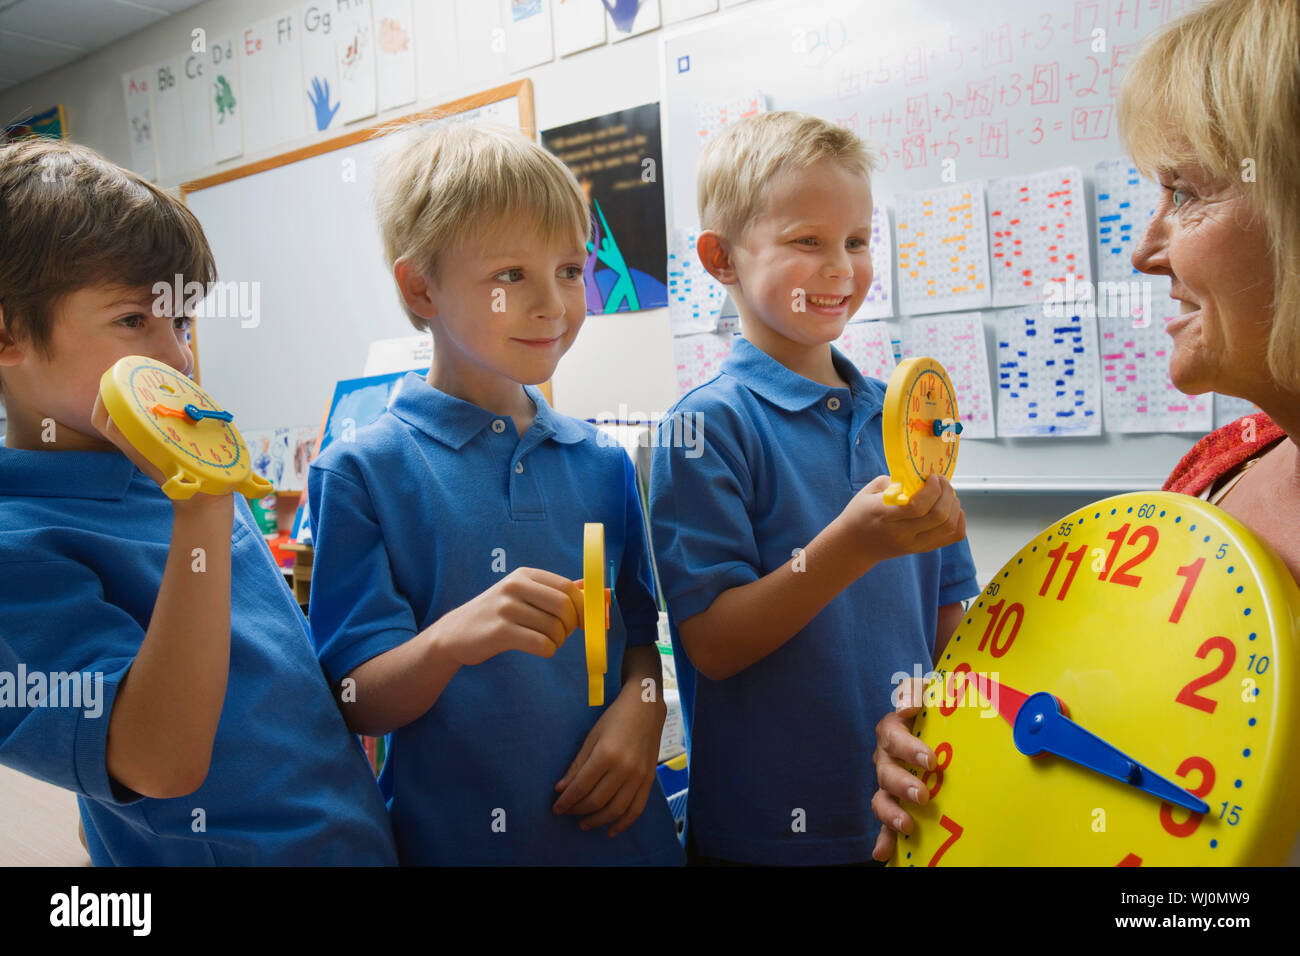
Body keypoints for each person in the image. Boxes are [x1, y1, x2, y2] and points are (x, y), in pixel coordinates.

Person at [870, 0, 1300, 862]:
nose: (1146, 249)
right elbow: (1106, 730)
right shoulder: (1216, 470)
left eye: (1185, 192)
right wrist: (963, 747)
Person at [0, 138, 397, 865]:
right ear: (7, 334)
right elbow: (159, 761)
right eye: (132, 321)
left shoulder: (179, 475)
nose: (179, 358)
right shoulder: (19, 547)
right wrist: (202, 506)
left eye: (180, 322)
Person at [306, 123, 684, 865]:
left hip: (621, 841)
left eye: (570, 270)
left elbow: (638, 642)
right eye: (511, 275)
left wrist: (639, 718)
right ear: (421, 287)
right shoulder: (363, 472)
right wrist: (451, 638)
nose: (552, 305)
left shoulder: (601, 460)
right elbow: (358, 699)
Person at [648, 111, 977, 866]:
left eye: (857, 242)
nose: (841, 268)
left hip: (915, 815)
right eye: (808, 242)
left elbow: (951, 618)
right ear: (720, 258)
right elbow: (714, 646)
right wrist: (848, 548)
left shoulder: (903, 416)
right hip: (764, 838)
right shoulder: (703, 429)